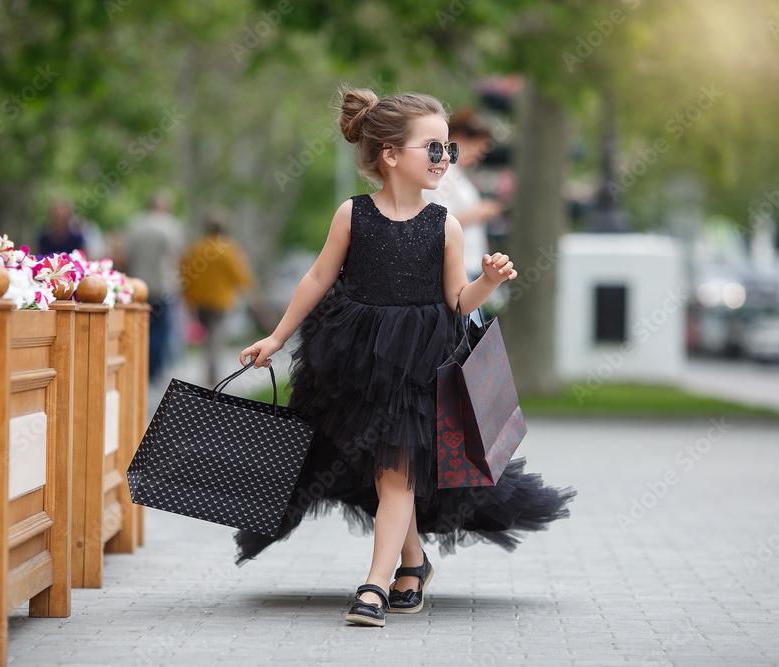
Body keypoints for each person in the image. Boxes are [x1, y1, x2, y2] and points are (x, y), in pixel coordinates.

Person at [239, 88, 575, 627]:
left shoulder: (446, 224)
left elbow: (457, 304)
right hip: (355, 360)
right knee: (383, 470)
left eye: (449, 150)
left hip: (421, 366)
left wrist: (487, 281)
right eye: (433, 148)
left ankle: (373, 586)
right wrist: (277, 338)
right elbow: (318, 277)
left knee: (396, 473)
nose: (445, 159)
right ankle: (413, 564)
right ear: (391, 155)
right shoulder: (352, 215)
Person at [422, 109, 505, 325]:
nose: (480, 154)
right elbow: (437, 219)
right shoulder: (444, 174)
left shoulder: (457, 175)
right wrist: (480, 212)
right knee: (466, 333)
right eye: (478, 146)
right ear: (458, 139)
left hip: (467, 266)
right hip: (455, 268)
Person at [180, 209, 275, 386]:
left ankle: (209, 372)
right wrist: (257, 302)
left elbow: (185, 275)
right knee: (215, 336)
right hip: (220, 301)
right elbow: (243, 278)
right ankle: (212, 375)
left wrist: (187, 300)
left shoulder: (196, 248)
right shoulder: (230, 250)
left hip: (199, 300)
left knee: (209, 336)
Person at [124, 191, 185, 382]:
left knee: (141, 328)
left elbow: (127, 256)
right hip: (162, 286)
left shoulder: (136, 225)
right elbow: (177, 258)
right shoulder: (172, 225)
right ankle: (155, 370)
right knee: (161, 329)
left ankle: (141, 367)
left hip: (140, 285)